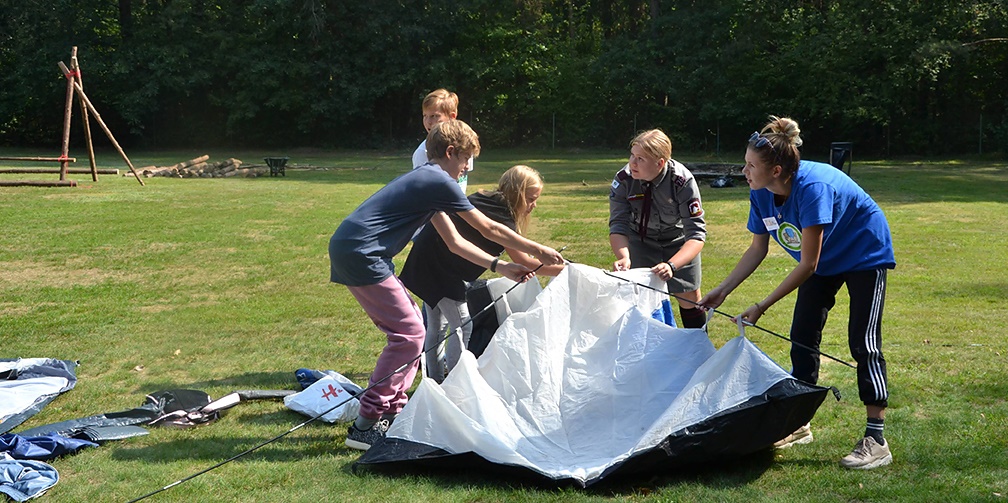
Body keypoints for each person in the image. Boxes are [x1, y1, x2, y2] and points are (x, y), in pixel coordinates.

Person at [329, 120, 564, 451]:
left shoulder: (428, 181)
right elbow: (489, 229)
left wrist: (501, 266)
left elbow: (454, 242)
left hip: (358, 249)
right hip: (362, 252)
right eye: (467, 159)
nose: (468, 167)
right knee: (409, 335)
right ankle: (365, 425)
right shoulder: (438, 180)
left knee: (412, 332)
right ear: (451, 153)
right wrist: (539, 250)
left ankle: (392, 412)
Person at [698, 116, 896, 470]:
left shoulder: (813, 187)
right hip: (823, 261)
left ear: (776, 170)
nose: (744, 171)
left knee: (863, 342)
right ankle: (799, 421)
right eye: (745, 164)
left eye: (750, 166)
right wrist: (724, 290)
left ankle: (876, 438)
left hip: (863, 252)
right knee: (803, 334)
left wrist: (761, 305)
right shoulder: (760, 192)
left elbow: (808, 264)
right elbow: (757, 248)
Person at [400, 165, 565, 383]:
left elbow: (522, 261)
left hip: (426, 262)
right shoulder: (502, 218)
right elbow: (524, 261)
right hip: (441, 271)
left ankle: (435, 381)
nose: (534, 206)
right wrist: (568, 269)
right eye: (531, 199)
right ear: (516, 194)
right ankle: (455, 383)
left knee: (437, 327)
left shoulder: (484, 199)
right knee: (462, 327)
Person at [608, 128, 708, 329]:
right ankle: (649, 354)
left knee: (689, 298)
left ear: (660, 163)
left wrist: (672, 265)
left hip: (678, 242)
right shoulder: (624, 180)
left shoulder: (682, 181)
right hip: (640, 242)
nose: (632, 163)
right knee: (641, 299)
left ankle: (698, 350)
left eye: (641, 159)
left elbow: (696, 234)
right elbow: (618, 224)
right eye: (632, 156)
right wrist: (624, 257)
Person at [412, 88, 473, 192]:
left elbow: (462, 183)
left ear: (452, 117)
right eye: (425, 116)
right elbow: (421, 191)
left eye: (434, 116)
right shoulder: (423, 152)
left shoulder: (465, 145)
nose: (428, 122)